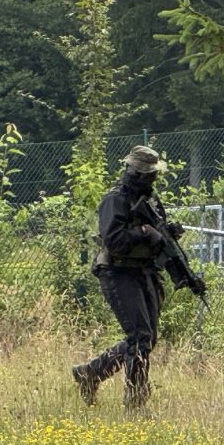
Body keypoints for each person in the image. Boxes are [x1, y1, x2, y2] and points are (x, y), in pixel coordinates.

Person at [72, 145, 171, 411]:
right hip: (117, 271)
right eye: (147, 174)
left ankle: (91, 373)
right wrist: (143, 233)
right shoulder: (114, 200)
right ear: (135, 172)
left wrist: (163, 234)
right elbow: (113, 239)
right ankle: (136, 403)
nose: (152, 179)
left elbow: (157, 231)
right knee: (140, 337)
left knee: (145, 338)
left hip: (143, 270)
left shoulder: (149, 200)